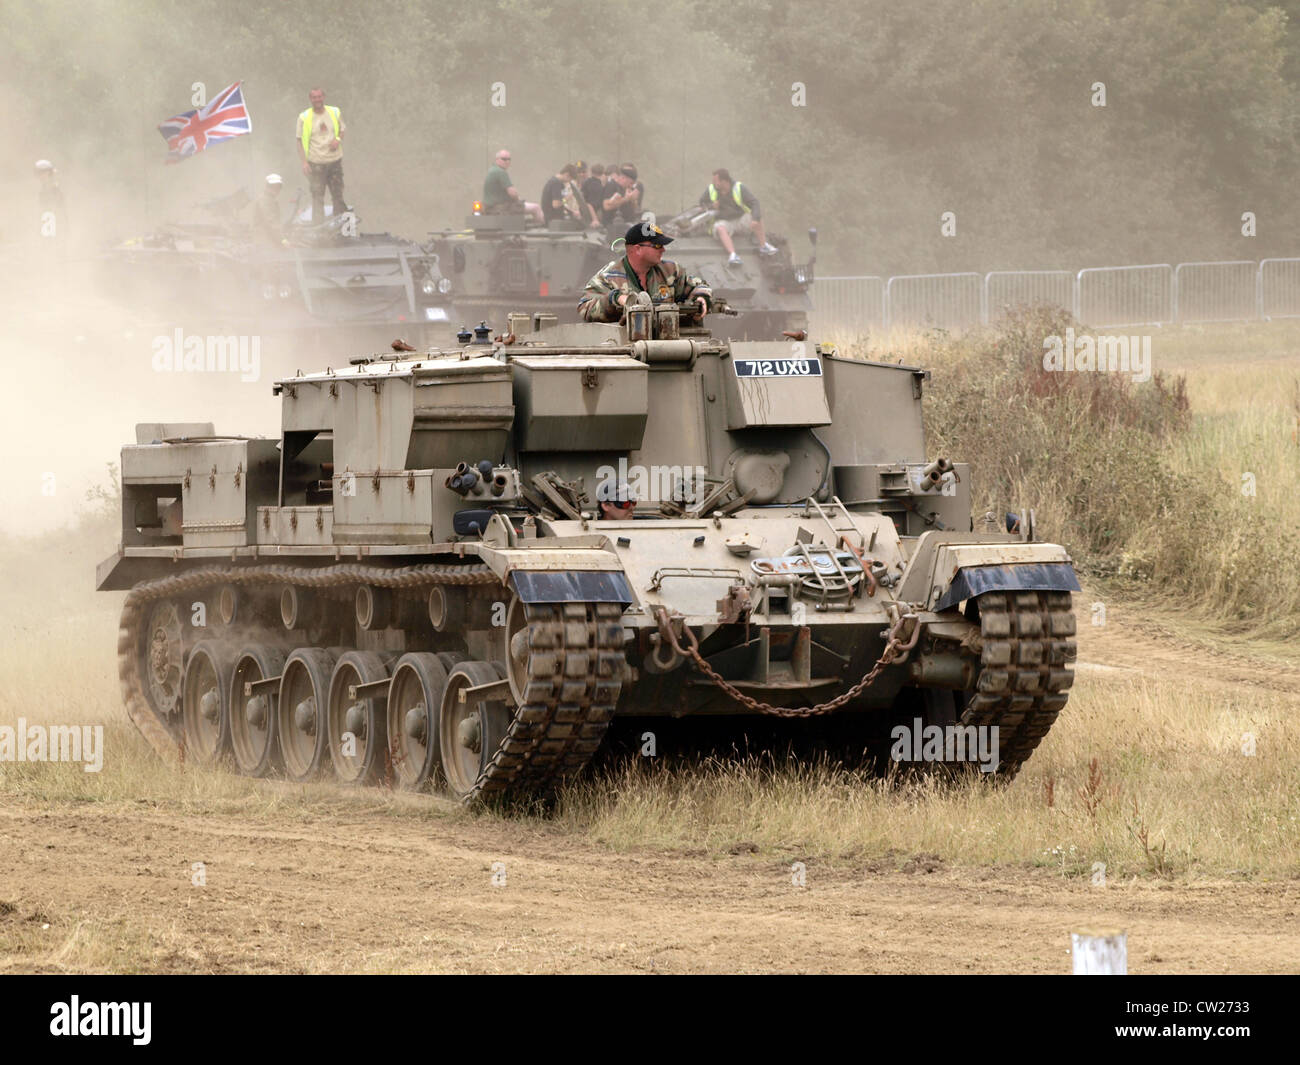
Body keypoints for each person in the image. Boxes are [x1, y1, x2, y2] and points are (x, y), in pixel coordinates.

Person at [578, 221, 711, 323]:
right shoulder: (609, 276)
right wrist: (615, 299)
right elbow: (584, 308)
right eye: (657, 246)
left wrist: (701, 297)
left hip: (667, 346)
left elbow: (698, 285)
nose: (663, 250)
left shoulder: (670, 271)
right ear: (637, 249)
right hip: (624, 348)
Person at [699, 168, 778, 265]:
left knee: (757, 216)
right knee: (720, 228)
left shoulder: (738, 188)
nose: (713, 183)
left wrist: (755, 219)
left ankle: (763, 245)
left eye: (716, 181)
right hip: (724, 222)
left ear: (723, 181)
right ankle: (733, 255)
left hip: (740, 220)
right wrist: (712, 205)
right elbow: (701, 204)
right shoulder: (711, 189)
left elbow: (754, 203)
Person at [296, 88, 347, 224]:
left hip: (334, 161)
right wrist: (304, 163)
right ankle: (318, 229)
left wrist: (338, 139)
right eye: (314, 97)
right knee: (317, 196)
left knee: (338, 195)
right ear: (310, 99)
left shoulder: (335, 112)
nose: (317, 99)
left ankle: (340, 227)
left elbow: (342, 129)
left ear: (324, 97)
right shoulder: (304, 117)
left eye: (319, 97)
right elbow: (299, 141)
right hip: (316, 163)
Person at [483, 148, 543, 223]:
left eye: (509, 159)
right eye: (504, 159)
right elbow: (512, 193)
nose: (507, 161)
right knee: (536, 208)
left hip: (490, 208)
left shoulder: (492, 170)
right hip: (500, 208)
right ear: (497, 159)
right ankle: (543, 232)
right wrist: (518, 201)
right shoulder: (500, 172)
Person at [252, 173, 287, 245]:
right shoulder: (264, 200)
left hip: (270, 239)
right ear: (267, 186)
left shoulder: (271, 200)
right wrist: (282, 240)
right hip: (264, 241)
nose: (276, 189)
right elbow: (271, 222)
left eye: (278, 187)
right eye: (273, 186)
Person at [34, 160, 66, 238]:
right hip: (46, 231)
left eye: (41, 173)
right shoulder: (43, 189)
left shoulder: (53, 190)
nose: (39, 177)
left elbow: (59, 213)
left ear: (47, 173)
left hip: (52, 233)